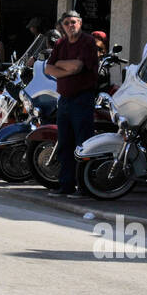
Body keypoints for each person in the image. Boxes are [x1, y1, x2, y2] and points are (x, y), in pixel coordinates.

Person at [43, 10, 98, 197]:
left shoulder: (88, 42)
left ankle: (85, 187)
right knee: (65, 143)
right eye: (66, 23)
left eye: (73, 22)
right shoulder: (60, 43)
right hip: (64, 100)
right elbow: (49, 68)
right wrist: (68, 69)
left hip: (83, 99)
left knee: (83, 144)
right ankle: (66, 185)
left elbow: (79, 67)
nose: (70, 25)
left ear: (80, 23)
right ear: (62, 26)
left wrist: (62, 66)